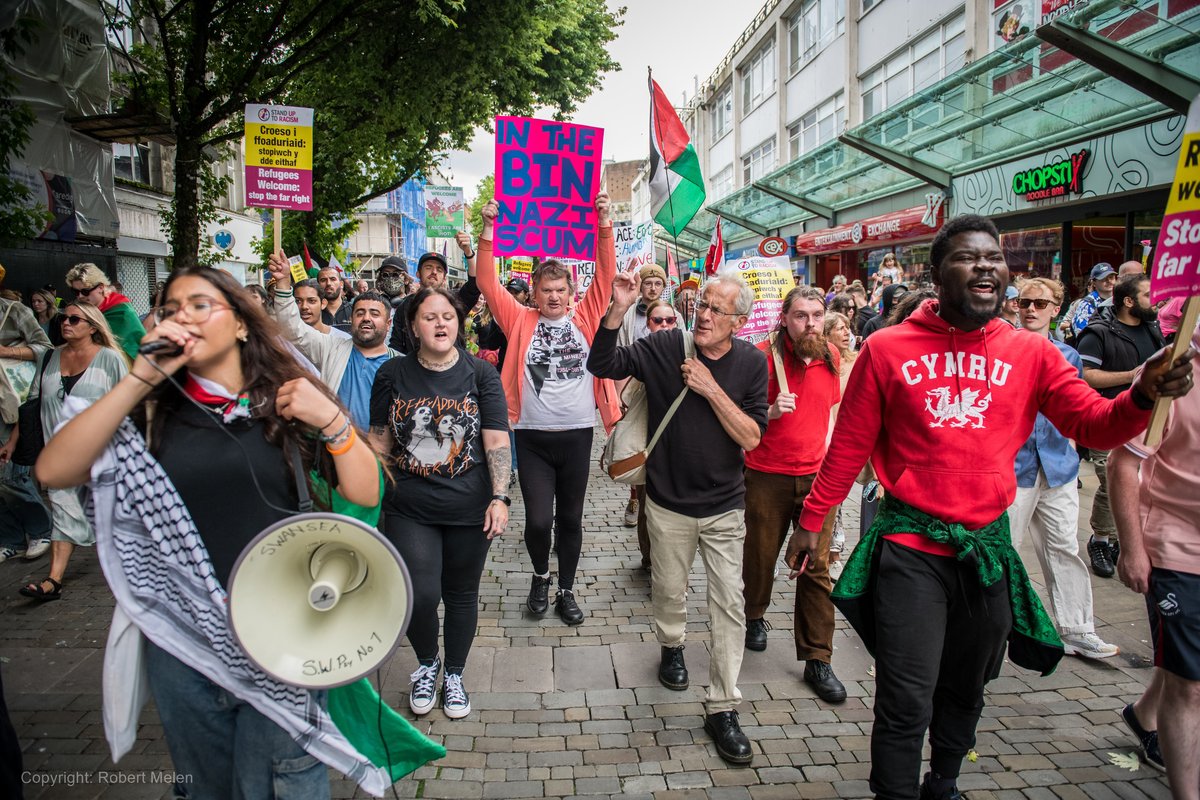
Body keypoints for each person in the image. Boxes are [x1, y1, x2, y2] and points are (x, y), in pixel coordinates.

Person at [784, 214, 1196, 800]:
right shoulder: (886, 349)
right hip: (910, 548)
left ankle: (943, 782)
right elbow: (848, 447)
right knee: (905, 694)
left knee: (968, 685)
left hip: (988, 550)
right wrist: (811, 522)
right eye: (967, 257)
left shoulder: (1033, 353)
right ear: (936, 273)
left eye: (994, 258)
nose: (985, 266)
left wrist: (1144, 393)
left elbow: (1096, 426)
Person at [36, 266, 386, 799]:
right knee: (206, 787)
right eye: (172, 309)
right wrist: (139, 380)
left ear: (243, 325)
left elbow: (365, 492)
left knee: (282, 781)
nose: (183, 318)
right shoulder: (151, 409)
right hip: (185, 644)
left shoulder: (284, 397)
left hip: (281, 629)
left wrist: (331, 422)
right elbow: (54, 471)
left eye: (201, 305)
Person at [588, 268, 768, 767]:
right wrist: (618, 309)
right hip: (666, 504)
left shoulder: (753, 363)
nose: (704, 314)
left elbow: (752, 437)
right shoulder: (668, 346)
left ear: (739, 320)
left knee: (729, 603)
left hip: (725, 506)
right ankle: (671, 645)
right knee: (669, 591)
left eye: (717, 309)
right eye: (702, 304)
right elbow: (601, 362)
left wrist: (710, 388)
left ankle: (723, 705)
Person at [477, 193, 618, 626]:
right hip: (532, 439)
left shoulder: (588, 316)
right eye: (546, 290)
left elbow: (607, 276)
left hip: (578, 435)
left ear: (571, 293)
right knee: (538, 521)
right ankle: (540, 576)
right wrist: (487, 229)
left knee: (571, 520)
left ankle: (567, 589)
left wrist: (604, 221)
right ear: (534, 292)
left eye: (561, 290)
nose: (554, 297)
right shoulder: (520, 319)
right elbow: (486, 282)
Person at [369, 287, 510, 720]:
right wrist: (369, 498)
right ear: (413, 326)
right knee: (420, 593)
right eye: (430, 317)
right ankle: (428, 663)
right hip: (408, 505)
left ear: (459, 322)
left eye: (448, 315)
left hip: (469, 506)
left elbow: (496, 440)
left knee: (461, 593)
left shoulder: (481, 374)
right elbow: (379, 440)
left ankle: (455, 674)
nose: (441, 324)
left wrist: (500, 496)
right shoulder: (392, 374)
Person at [741, 287, 846, 704]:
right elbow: (733, 414)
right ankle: (754, 615)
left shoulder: (831, 357)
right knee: (761, 556)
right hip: (766, 476)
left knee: (816, 568)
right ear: (784, 318)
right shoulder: (759, 359)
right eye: (801, 316)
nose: (810, 324)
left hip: (818, 479)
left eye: (817, 315)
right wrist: (768, 411)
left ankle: (818, 657)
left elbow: (831, 412)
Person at [1109, 321, 1200, 784]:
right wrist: (1133, 549)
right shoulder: (1172, 370)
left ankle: (1144, 712)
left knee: (1188, 667)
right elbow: (1123, 460)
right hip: (1178, 550)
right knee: (1191, 686)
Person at [1008, 278, 1118, 659]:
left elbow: (1075, 408)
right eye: (1024, 302)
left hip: (1057, 467)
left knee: (1064, 548)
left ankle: (1076, 629)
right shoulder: (1001, 350)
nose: (1031, 309)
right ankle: (987, 633)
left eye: (1040, 303)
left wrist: (1072, 446)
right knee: (1003, 550)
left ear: (1056, 309)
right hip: (1013, 469)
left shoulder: (1067, 355)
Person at [17, 301, 128, 601]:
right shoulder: (50, 357)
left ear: (93, 327)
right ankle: (54, 579)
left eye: (75, 320)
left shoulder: (109, 359)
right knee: (64, 509)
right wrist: (14, 441)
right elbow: (32, 404)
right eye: (64, 318)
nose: (66, 323)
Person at [1077, 273, 1166, 579]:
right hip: (1107, 418)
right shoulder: (1098, 332)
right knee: (1109, 479)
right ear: (1128, 302)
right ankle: (1100, 540)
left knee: (1139, 484)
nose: (1154, 301)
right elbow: (1085, 374)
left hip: (1146, 421)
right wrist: (1133, 376)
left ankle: (1121, 538)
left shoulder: (1154, 329)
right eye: (1147, 296)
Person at [267, 252, 398, 431]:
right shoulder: (332, 348)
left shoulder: (400, 364)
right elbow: (292, 328)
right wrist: (283, 283)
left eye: (374, 314)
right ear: (351, 319)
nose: (366, 318)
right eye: (360, 313)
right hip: (336, 448)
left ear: (388, 323)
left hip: (383, 453)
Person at [0, 269, 53, 564]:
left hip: (12, 400)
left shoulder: (13, 310)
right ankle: (10, 538)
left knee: (11, 474)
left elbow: (44, 348)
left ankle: (41, 528)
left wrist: (5, 351)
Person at [617, 265, 669, 531]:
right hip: (636, 386)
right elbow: (620, 353)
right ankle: (635, 497)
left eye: (657, 284)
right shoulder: (629, 314)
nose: (652, 288)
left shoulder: (672, 315)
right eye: (648, 283)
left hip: (666, 389)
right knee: (636, 445)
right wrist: (620, 392)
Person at [389, 236, 480, 355]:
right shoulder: (405, 307)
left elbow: (475, 283)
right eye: (428, 267)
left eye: (439, 269)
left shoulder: (455, 301)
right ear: (418, 274)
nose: (434, 272)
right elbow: (396, 346)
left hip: (452, 370)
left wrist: (468, 252)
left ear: (444, 278)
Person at [823, 310, 856, 559]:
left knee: (838, 498)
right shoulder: (821, 363)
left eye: (848, 327)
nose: (847, 332)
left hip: (849, 438)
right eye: (840, 328)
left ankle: (834, 549)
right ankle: (831, 549)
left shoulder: (856, 361)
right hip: (825, 437)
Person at [63, 262, 146, 361]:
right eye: (76, 292)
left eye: (85, 291)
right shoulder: (83, 309)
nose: (80, 296)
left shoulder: (120, 310)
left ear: (101, 288)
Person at [1061, 262, 1117, 343]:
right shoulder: (1087, 304)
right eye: (1103, 279)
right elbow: (1081, 333)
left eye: (1111, 277)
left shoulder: (1119, 300)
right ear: (1094, 283)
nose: (1109, 281)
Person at [316, 265, 352, 333]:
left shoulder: (354, 311)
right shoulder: (313, 313)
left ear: (341, 284)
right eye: (323, 280)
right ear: (318, 285)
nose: (328, 283)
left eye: (333, 279)